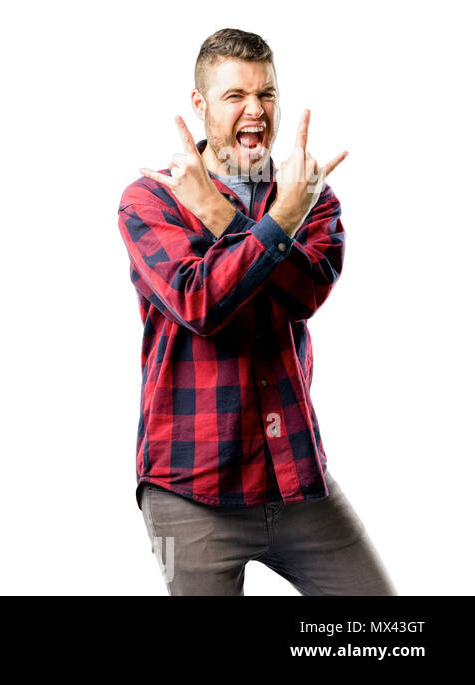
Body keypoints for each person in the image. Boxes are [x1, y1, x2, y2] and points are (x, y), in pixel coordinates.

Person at [118, 28, 393, 595]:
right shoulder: (149, 198)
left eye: (266, 94)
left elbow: (306, 295)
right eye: (235, 96)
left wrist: (231, 219)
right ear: (199, 105)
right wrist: (276, 228)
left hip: (294, 477)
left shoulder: (306, 196)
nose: (255, 110)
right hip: (190, 491)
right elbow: (199, 302)